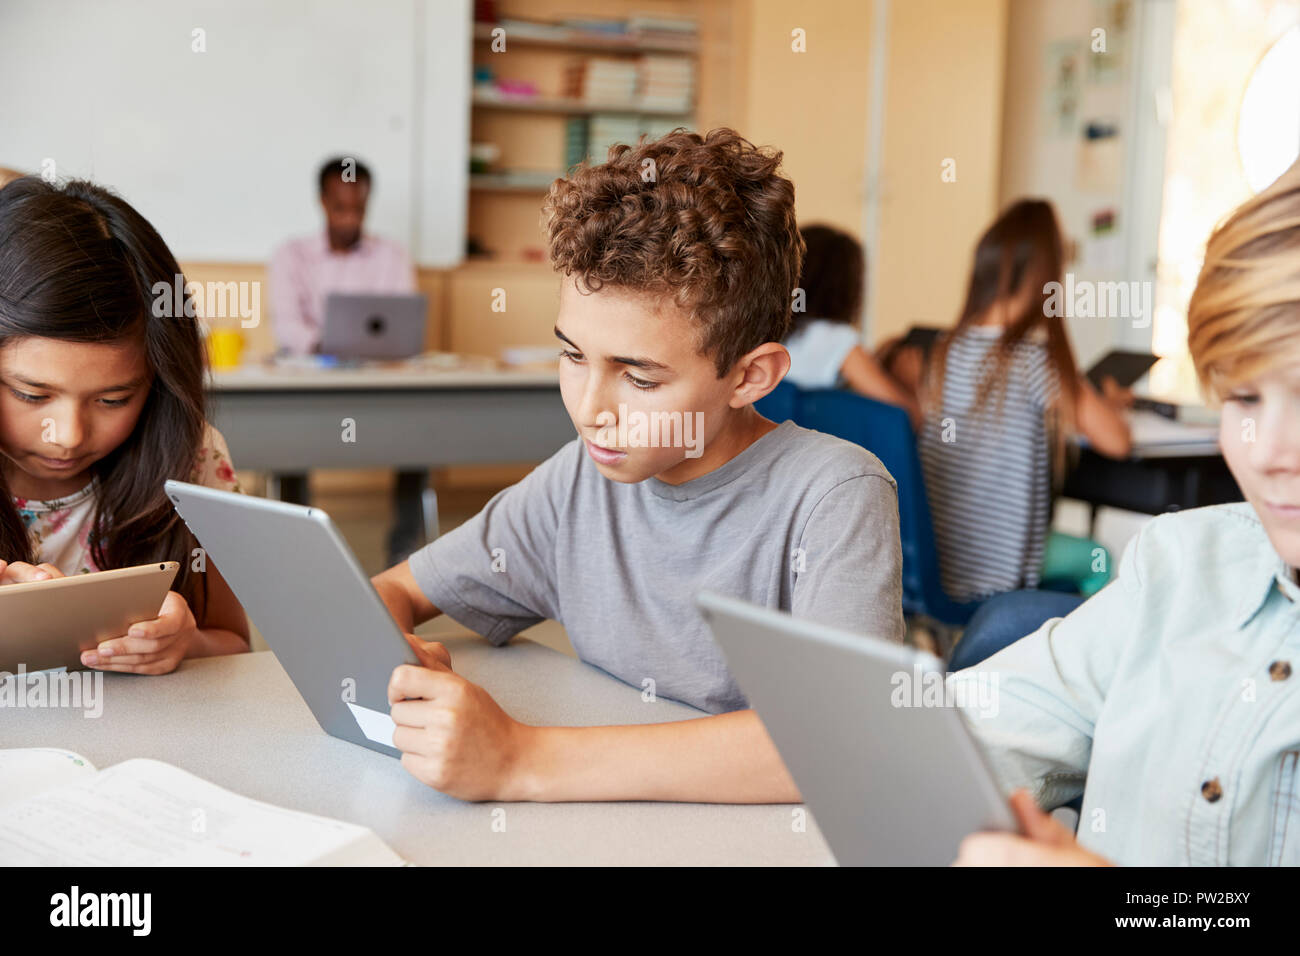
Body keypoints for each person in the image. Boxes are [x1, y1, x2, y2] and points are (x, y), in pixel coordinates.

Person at [368, 128, 905, 802]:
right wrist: (393, 656)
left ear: (750, 377)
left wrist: (519, 757)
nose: (591, 409)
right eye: (571, 356)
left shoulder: (834, 495)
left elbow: (843, 742)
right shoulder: (578, 480)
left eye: (639, 378)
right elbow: (394, 590)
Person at [953, 158, 1300, 865]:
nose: (1266, 452)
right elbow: (955, 735)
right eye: (1241, 397)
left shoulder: (954, 347)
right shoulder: (1177, 564)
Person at [0, 177, 250, 674]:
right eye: (31, 394)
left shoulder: (192, 460)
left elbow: (235, 643)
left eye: (114, 399)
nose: (68, 434)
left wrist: (185, 643)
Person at [916, 199, 1131, 602]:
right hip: (1000, 569)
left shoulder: (946, 350)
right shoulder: (1033, 359)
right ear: (1044, 276)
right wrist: (1103, 402)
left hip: (942, 558)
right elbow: (1117, 442)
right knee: (1099, 556)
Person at [269, 157, 427, 566]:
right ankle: (297, 543)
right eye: (341, 208)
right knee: (288, 439)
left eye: (358, 209)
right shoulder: (291, 255)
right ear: (322, 202)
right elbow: (288, 327)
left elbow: (402, 325)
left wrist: (360, 346)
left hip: (380, 384)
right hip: (311, 386)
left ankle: (405, 549)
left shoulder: (391, 255)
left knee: (420, 429)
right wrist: (333, 343)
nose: (350, 218)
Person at [783, 224, 920, 425]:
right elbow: (909, 416)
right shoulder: (835, 338)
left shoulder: (767, 329)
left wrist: (873, 361)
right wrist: (912, 384)